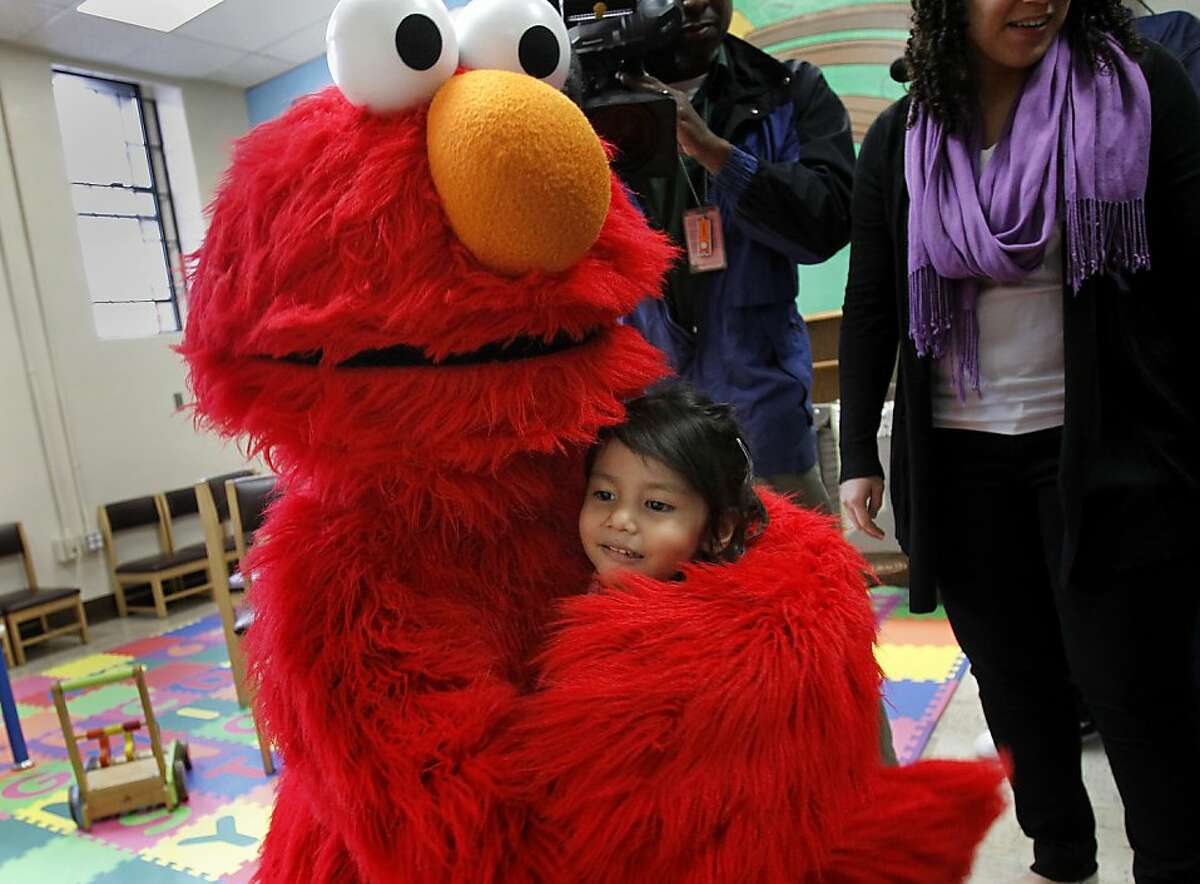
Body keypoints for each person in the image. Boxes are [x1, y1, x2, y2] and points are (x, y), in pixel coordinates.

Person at [838, 0, 1200, 879]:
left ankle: (1174, 861)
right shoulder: (903, 136)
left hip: (1110, 454)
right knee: (1016, 685)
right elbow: (875, 298)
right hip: (959, 466)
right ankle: (1060, 854)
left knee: (1134, 689)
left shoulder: (1140, 91)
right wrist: (858, 455)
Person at [618, 0, 855, 512]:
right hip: (640, 427)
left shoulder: (789, 90)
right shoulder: (590, 101)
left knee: (807, 583)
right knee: (658, 592)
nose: (693, 2)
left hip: (767, 429)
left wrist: (714, 152)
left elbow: (826, 226)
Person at [579, 386, 768, 584]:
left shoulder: (715, 613)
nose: (618, 519)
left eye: (656, 505)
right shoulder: (568, 581)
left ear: (720, 529)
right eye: (604, 495)